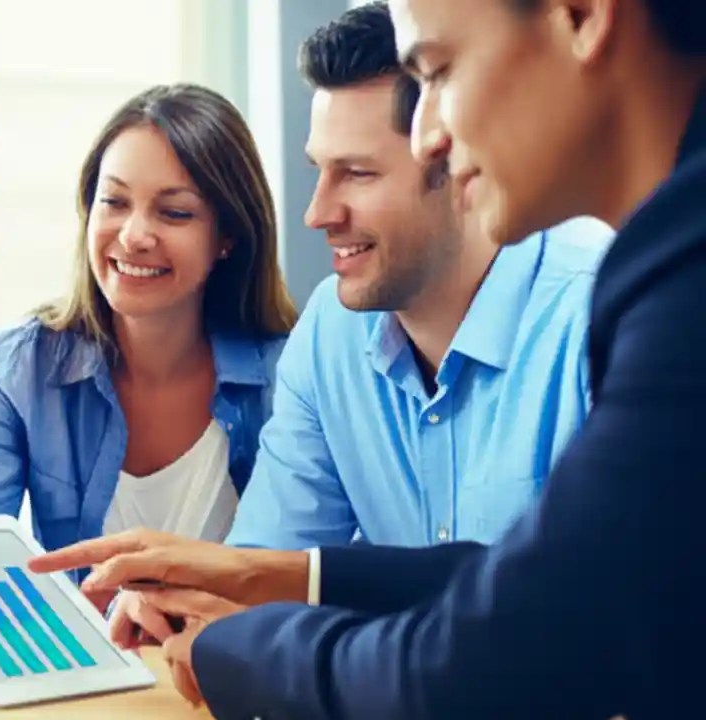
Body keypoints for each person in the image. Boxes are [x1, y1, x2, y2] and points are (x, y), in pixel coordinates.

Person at [30, 0, 706, 717]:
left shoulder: (657, 288)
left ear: (582, 15)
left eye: (441, 71)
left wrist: (247, 641)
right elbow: (548, 580)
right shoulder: (333, 333)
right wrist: (256, 575)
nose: (434, 133)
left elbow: (516, 644)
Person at [110, 1, 611, 646]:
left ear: (456, 164)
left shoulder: (600, 313)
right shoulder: (330, 332)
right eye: (320, 169)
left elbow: (601, 617)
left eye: (357, 174)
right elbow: (260, 573)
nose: (317, 212)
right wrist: (184, 605)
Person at [0, 85, 297, 568]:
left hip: (229, 645)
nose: (133, 236)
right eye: (114, 202)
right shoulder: (17, 369)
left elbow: (313, 575)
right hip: (68, 646)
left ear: (227, 237)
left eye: (174, 212)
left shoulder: (292, 378)